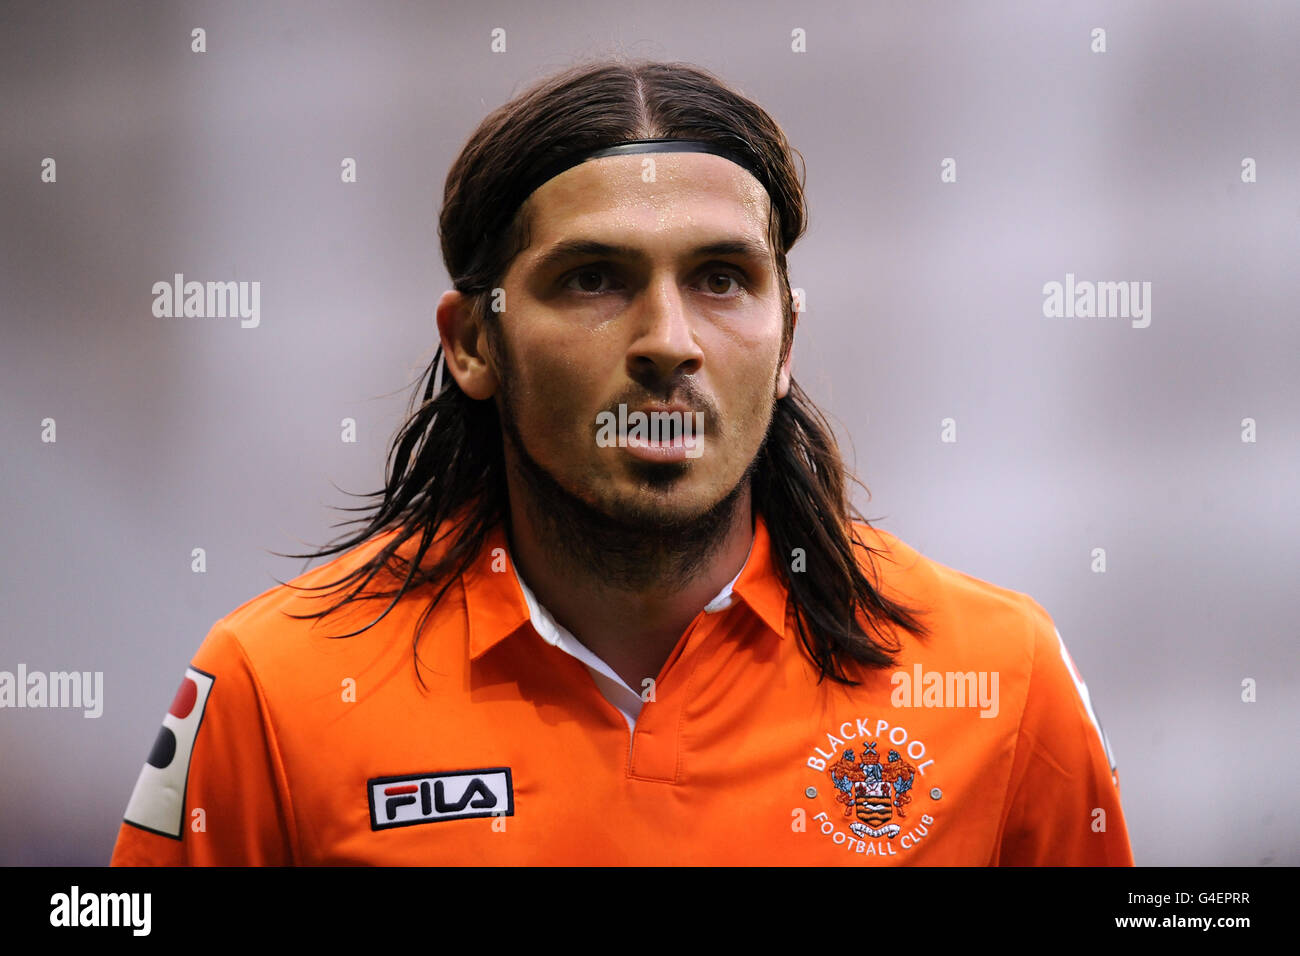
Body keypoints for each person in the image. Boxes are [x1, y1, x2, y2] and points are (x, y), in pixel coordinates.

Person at [110, 58, 1134, 866]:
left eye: (722, 278)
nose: (668, 340)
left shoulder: (996, 677)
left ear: (785, 342)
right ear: (472, 341)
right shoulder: (273, 689)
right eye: (594, 278)